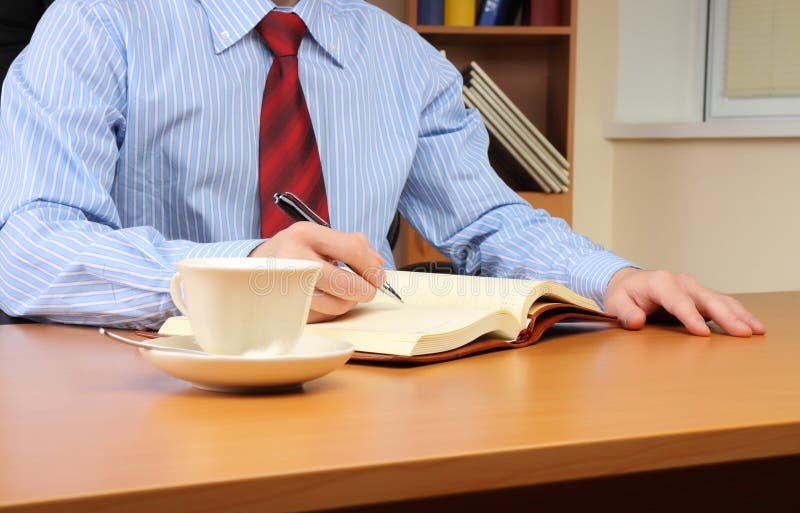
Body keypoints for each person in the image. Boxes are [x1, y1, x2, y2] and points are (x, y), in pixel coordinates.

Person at [0, 0, 763, 338]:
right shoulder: (97, 24)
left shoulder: (403, 56)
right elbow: (28, 250)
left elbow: (486, 220)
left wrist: (613, 279)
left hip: (364, 391)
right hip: (154, 397)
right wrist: (249, 273)